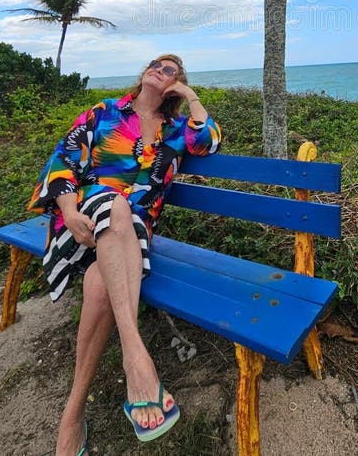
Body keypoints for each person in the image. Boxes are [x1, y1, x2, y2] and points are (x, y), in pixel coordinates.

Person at [28, 55, 221, 456]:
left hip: (132, 238)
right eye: (156, 64)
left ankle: (73, 414)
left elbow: (209, 140)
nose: (160, 70)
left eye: (171, 71)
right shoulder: (104, 113)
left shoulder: (177, 131)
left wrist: (191, 97)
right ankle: (136, 359)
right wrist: (67, 210)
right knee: (115, 205)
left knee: (102, 280)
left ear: (176, 86)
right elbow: (63, 160)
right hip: (81, 222)